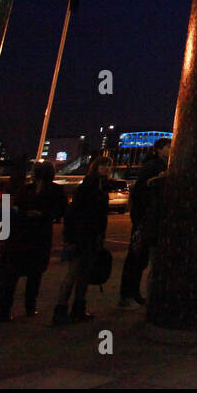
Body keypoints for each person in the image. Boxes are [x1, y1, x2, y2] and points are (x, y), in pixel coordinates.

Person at [0, 161, 67, 321]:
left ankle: (6, 310)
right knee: (33, 274)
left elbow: (16, 209)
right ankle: (29, 306)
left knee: (15, 274)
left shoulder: (27, 189)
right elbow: (61, 210)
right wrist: (43, 215)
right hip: (37, 235)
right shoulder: (54, 190)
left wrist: (30, 214)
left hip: (23, 235)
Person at [53, 153, 113, 324]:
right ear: (95, 167)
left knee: (83, 274)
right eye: (103, 165)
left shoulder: (101, 185)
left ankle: (75, 308)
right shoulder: (90, 186)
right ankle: (63, 309)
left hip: (91, 235)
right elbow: (75, 212)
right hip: (83, 235)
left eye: (108, 166)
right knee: (74, 273)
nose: (106, 168)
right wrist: (71, 236)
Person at [118, 137, 169, 309]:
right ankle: (127, 295)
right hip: (145, 218)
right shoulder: (153, 167)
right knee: (136, 257)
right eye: (168, 147)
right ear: (159, 149)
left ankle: (133, 293)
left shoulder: (157, 166)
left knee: (140, 258)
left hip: (148, 218)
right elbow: (143, 191)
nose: (170, 150)